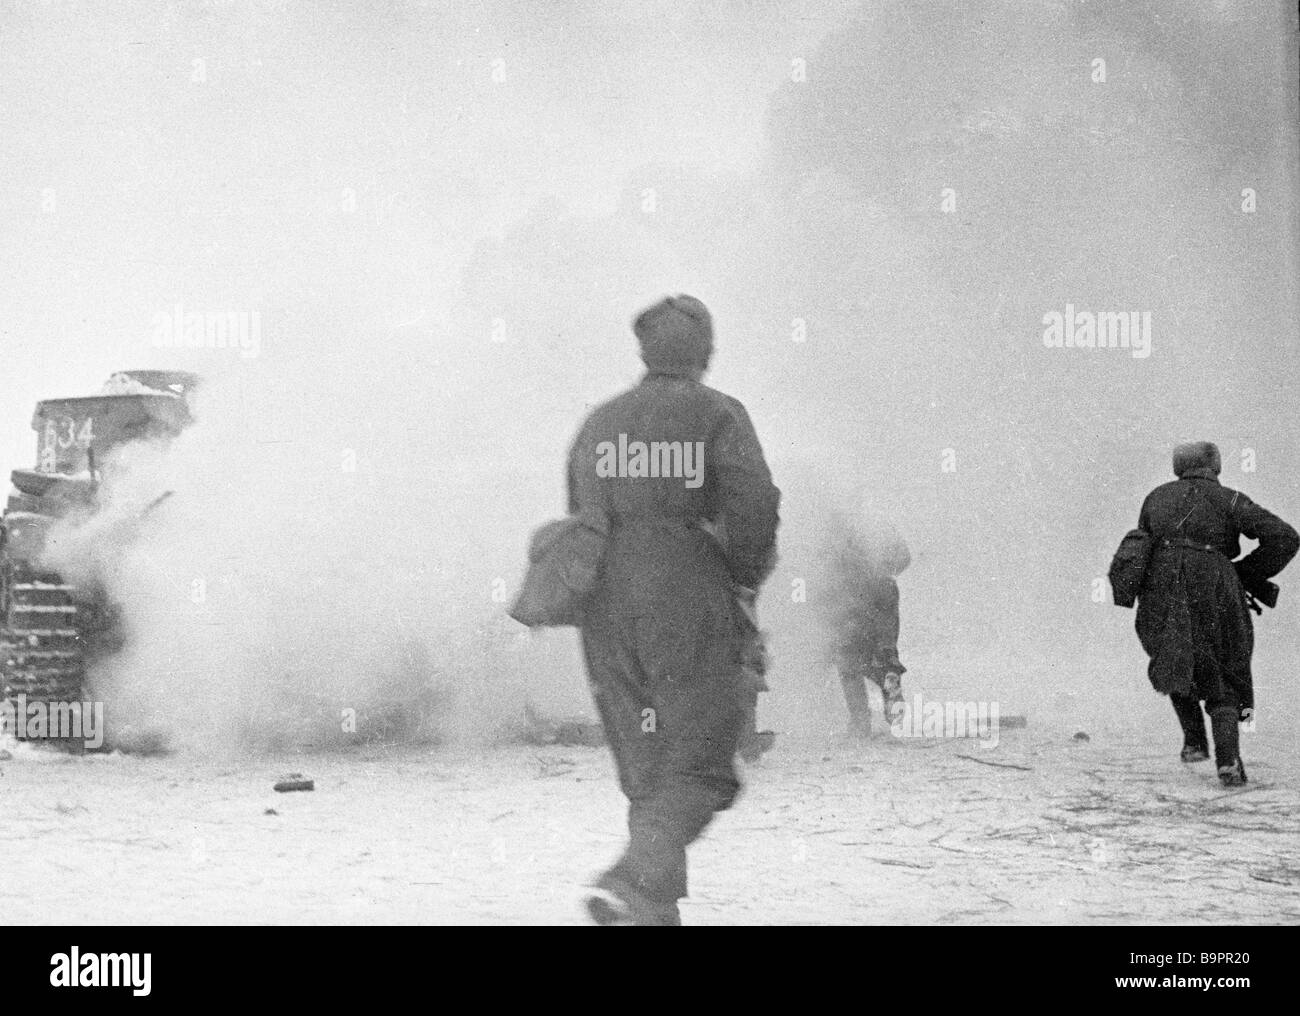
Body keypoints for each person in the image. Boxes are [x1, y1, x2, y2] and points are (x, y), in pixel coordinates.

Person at [568, 294, 780, 925]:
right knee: (705, 763)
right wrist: (740, 577)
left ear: (643, 352)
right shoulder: (718, 413)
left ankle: (648, 911)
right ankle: (633, 882)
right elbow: (754, 511)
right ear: (705, 353)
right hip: (686, 595)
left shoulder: (599, 422)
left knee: (649, 763)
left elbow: (582, 509)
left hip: (604, 606)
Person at [1134, 441, 1297, 787]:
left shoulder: (1156, 498)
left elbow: (1139, 548)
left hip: (1162, 588)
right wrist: (1244, 574)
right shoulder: (1230, 500)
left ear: (1179, 467)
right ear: (1215, 466)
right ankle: (1228, 760)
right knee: (1223, 668)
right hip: (1215, 586)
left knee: (1173, 657)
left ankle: (1194, 742)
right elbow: (1284, 537)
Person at [820, 509, 910, 737]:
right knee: (883, 651)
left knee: (848, 660)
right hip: (883, 592)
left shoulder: (833, 526)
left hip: (849, 596)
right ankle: (890, 685)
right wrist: (883, 570)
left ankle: (860, 720)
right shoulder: (877, 521)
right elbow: (904, 558)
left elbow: (822, 568)